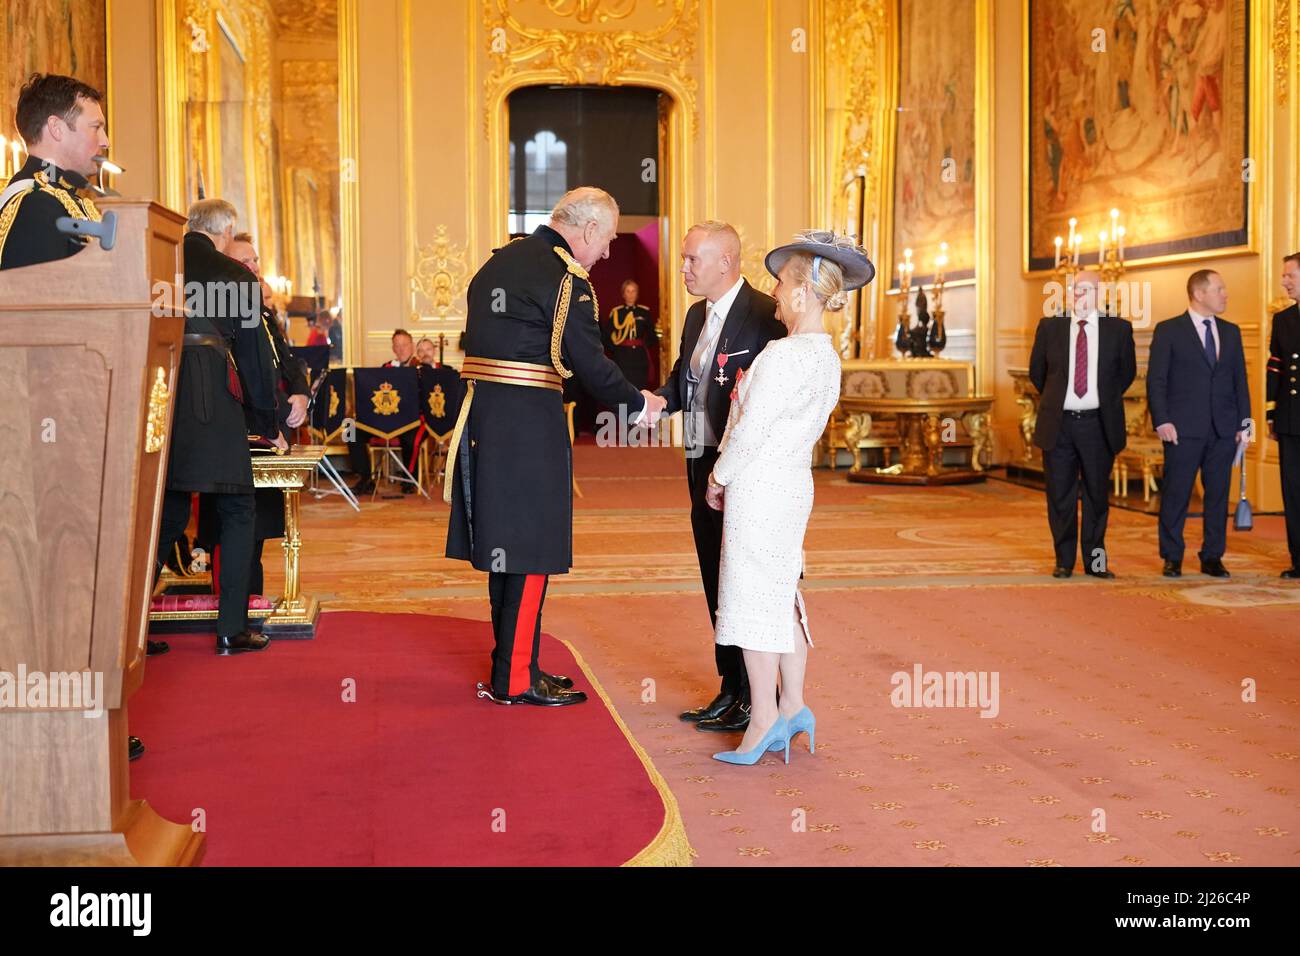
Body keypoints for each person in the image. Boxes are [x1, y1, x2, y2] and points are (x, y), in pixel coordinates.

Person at [445, 186, 665, 706]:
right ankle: (515, 680)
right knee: (530, 549)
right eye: (607, 239)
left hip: (484, 417)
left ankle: (516, 667)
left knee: (503, 546)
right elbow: (588, 362)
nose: (608, 251)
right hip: (528, 424)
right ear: (587, 229)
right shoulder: (566, 278)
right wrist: (640, 403)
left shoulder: (500, 262)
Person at [704, 231, 873, 764]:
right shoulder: (826, 358)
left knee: (754, 599)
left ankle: (763, 721)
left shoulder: (782, 356)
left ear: (801, 293)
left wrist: (719, 477)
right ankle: (795, 704)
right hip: (793, 485)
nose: (773, 293)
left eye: (780, 284)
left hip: (759, 488)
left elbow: (750, 432)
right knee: (781, 594)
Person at [658, 222, 785, 734]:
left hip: (742, 472)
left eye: (692, 259)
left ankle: (761, 697)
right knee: (714, 575)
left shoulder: (764, 315)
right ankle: (731, 687)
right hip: (699, 460)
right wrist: (646, 403)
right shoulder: (695, 315)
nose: (684, 268)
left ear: (726, 261)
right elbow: (679, 383)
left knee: (745, 581)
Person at [155, 199, 270, 655]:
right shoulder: (235, 275)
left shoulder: (160, 262)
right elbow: (257, 363)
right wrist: (268, 421)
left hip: (161, 399)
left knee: (167, 513)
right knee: (239, 508)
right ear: (225, 233)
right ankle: (231, 628)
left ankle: (130, 630)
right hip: (216, 405)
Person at [1029, 270, 1137, 578]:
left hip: (1098, 426)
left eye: (1087, 289)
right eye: (1075, 288)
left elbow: (1124, 375)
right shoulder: (1050, 327)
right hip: (1059, 426)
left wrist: (1096, 400)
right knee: (1060, 496)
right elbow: (1038, 373)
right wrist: (1059, 402)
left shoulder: (1118, 329)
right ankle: (1063, 561)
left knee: (1097, 497)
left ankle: (1096, 562)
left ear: (1100, 293)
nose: (1080, 294)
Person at [1148, 269, 1252, 578]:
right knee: (1176, 494)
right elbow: (1157, 380)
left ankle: (1212, 556)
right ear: (1199, 294)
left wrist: (1245, 424)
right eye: (1219, 289)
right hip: (1181, 430)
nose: (1225, 294)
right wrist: (1162, 420)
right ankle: (1172, 556)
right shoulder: (1169, 330)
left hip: (1223, 429)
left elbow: (1240, 382)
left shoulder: (1231, 332)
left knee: (1218, 495)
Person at [0, 73, 107, 270]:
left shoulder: (60, 199)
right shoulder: (35, 205)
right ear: (56, 128)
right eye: (96, 128)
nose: (105, 141)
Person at [1267, 252, 1300, 579]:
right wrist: (1271, 413)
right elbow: (1275, 367)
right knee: (1293, 490)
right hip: (1291, 419)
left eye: (1290, 275)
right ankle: (1299, 559)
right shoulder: (1284, 319)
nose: (1284, 281)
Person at [603, 280, 658, 389]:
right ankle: (623, 408)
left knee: (640, 388)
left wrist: (642, 346)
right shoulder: (616, 313)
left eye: (633, 291)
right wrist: (616, 350)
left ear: (637, 294)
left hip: (640, 358)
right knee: (623, 388)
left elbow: (652, 336)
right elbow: (606, 337)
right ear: (623, 294)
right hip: (622, 358)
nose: (631, 294)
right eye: (628, 291)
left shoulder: (644, 312)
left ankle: (639, 407)